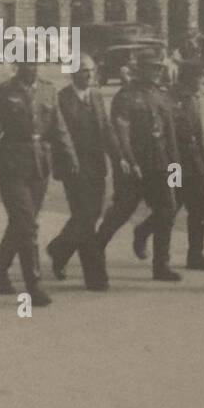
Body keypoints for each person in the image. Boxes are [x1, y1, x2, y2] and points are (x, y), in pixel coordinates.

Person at [0, 52, 77, 306]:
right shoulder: (2, 92)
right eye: (25, 63)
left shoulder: (48, 90)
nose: (31, 68)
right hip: (11, 162)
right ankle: (33, 284)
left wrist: (70, 156)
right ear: (16, 65)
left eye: (35, 63)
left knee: (22, 223)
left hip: (39, 163)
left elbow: (58, 126)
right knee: (27, 224)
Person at [95, 47, 182, 282]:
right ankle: (94, 252)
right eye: (150, 68)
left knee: (168, 210)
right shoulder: (125, 96)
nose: (155, 73)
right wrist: (130, 161)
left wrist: (176, 166)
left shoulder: (162, 95)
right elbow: (120, 132)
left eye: (158, 69)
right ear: (139, 70)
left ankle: (161, 265)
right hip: (136, 166)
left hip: (161, 163)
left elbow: (170, 134)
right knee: (121, 212)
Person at [47, 54, 123, 290]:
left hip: (96, 167)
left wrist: (119, 158)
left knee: (90, 215)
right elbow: (57, 136)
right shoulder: (62, 100)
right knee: (86, 219)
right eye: (83, 71)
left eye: (90, 71)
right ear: (72, 73)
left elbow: (106, 130)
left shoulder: (97, 97)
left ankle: (60, 248)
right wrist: (64, 165)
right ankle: (96, 277)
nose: (88, 75)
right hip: (74, 168)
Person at [135, 59, 204, 270]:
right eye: (199, 78)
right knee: (170, 206)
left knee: (200, 209)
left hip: (195, 161)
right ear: (187, 78)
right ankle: (144, 232)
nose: (202, 82)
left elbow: (199, 130)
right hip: (175, 162)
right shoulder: (168, 98)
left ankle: (195, 254)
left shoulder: (194, 99)